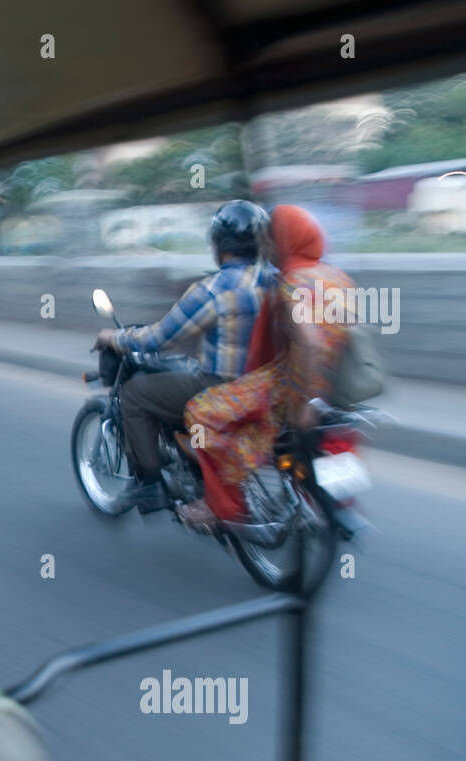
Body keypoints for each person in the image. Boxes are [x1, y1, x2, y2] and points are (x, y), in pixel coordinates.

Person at [180, 205, 353, 528]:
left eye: (270, 241)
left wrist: (305, 402)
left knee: (199, 412)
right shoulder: (336, 278)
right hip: (331, 385)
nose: (266, 250)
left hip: (288, 385)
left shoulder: (292, 283)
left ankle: (223, 502)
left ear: (286, 241)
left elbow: (310, 343)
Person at [94, 200, 269, 514]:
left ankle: (150, 485)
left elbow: (159, 338)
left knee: (135, 395)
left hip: (221, 387)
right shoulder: (271, 281)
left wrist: (115, 338)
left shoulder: (215, 289)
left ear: (219, 244)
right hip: (262, 386)